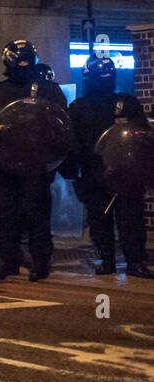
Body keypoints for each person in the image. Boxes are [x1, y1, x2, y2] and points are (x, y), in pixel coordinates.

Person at [0, 40, 67, 282]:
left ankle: (40, 263)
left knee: (36, 216)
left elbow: (61, 122)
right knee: (4, 217)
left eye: (27, 59)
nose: (23, 63)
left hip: (35, 163)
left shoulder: (48, 90)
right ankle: (5, 263)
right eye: (20, 59)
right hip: (4, 164)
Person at [68, 55, 152, 278]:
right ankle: (116, 261)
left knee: (125, 220)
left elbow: (142, 137)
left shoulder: (124, 103)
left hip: (118, 172)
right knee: (108, 221)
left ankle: (124, 261)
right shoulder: (81, 107)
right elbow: (72, 141)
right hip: (101, 171)